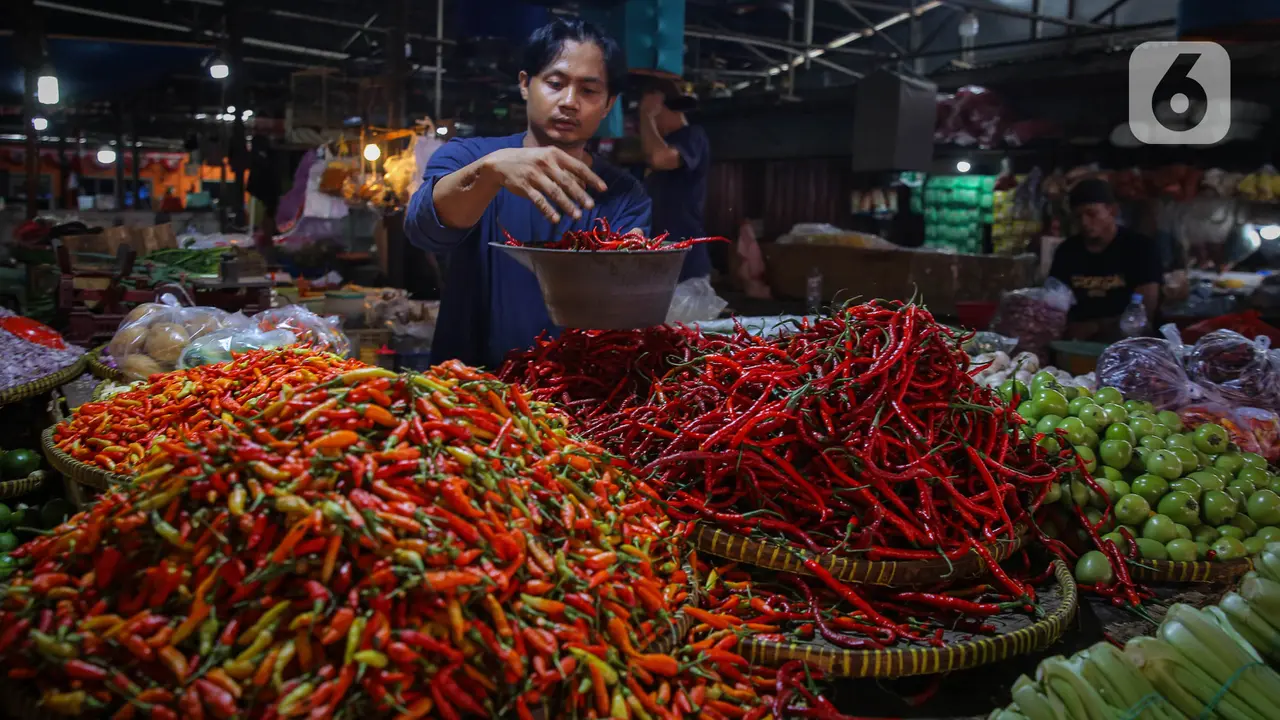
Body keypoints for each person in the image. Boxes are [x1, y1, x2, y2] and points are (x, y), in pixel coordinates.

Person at [405, 19, 651, 368]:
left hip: (576, 388)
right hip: (468, 388)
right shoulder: (467, 158)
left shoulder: (623, 195)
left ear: (609, 104)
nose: (570, 102)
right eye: (555, 84)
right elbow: (423, 230)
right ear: (525, 84)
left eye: (588, 91)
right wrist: (489, 173)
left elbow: (625, 304)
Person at [1049, 178, 1162, 341]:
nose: (1084, 222)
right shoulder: (1066, 251)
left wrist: (1095, 327)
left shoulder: (1140, 248)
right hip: (1076, 344)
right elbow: (1054, 304)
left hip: (1127, 343)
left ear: (1112, 211)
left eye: (1091, 214)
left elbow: (1144, 313)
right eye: (1078, 216)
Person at [638, 80, 711, 281]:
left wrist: (646, 115)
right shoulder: (664, 142)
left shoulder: (692, 136)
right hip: (661, 261)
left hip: (686, 265)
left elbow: (659, 159)